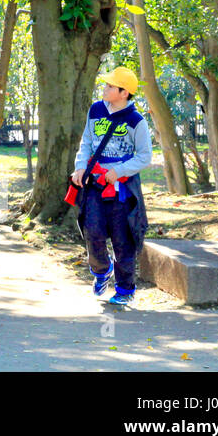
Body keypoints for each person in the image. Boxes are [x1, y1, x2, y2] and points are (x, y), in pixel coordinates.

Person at [69, 65, 153, 307]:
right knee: (92, 231)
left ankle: (125, 289)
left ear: (124, 92)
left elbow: (144, 156)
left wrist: (119, 171)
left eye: (109, 86)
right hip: (94, 184)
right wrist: (80, 166)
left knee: (122, 238)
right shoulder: (96, 110)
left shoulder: (137, 122)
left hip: (122, 189)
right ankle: (101, 271)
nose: (104, 88)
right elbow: (87, 141)